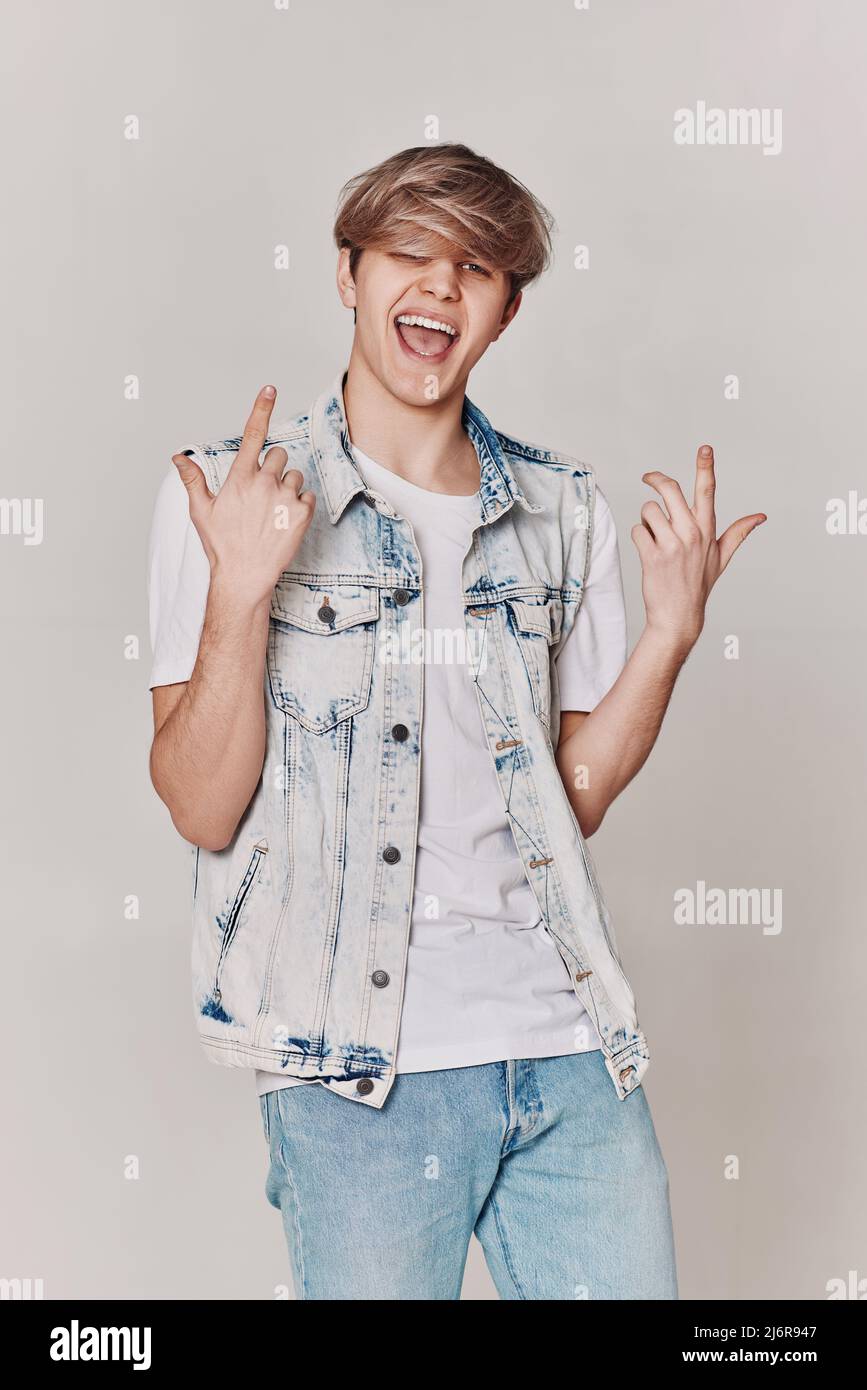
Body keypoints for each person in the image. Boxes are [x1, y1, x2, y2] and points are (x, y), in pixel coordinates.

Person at [147, 142, 765, 1300]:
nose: (438, 286)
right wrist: (239, 590)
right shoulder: (229, 496)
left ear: (507, 309)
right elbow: (198, 799)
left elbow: (568, 792)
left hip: (569, 1050)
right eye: (408, 255)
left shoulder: (558, 510)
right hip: (360, 1076)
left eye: (474, 269)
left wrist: (669, 638)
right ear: (349, 274)